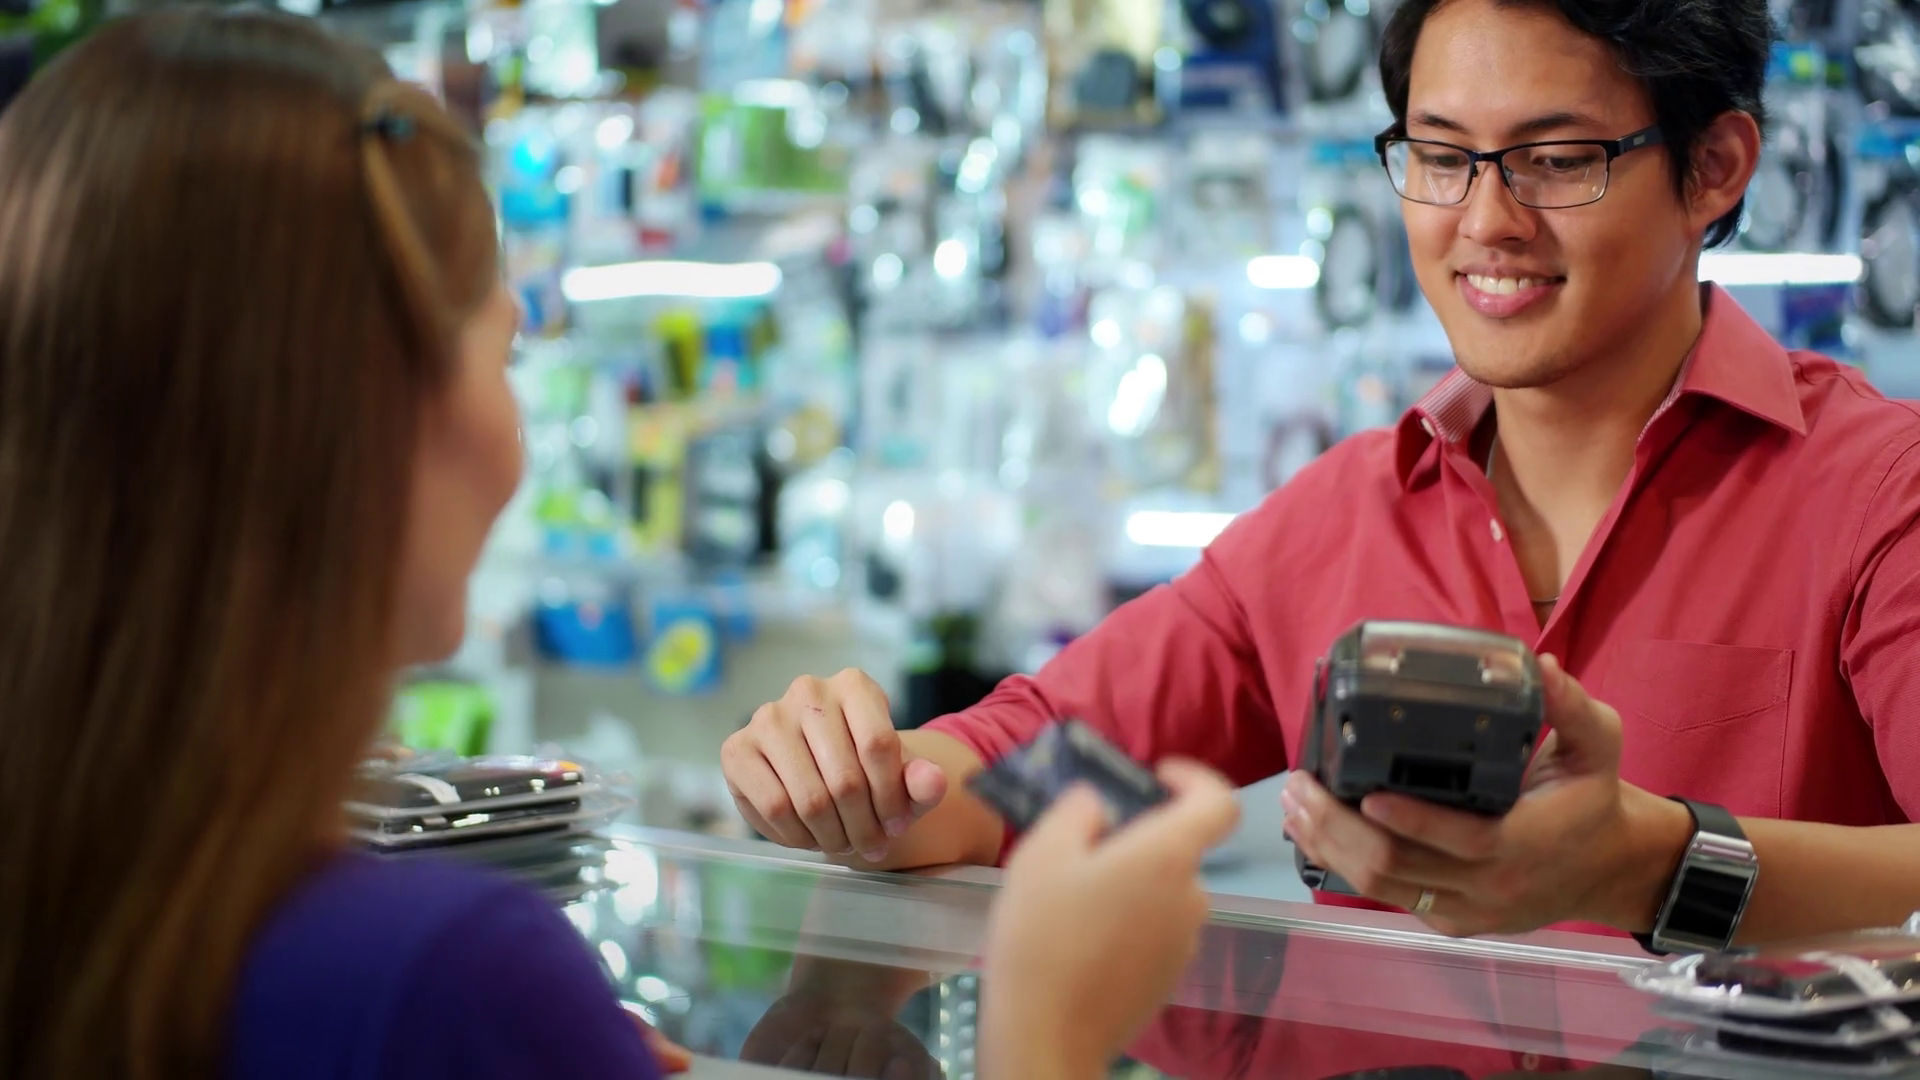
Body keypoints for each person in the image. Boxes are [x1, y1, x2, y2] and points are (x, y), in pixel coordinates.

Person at [0, 9, 1242, 1080]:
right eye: (504, 355)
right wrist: (1049, 1025)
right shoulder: (436, 968)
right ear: (372, 425)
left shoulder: (100, 878)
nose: (519, 435)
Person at [723, 0, 1920, 949]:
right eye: (1441, 157)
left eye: (1556, 159)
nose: (1484, 221)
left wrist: (1655, 863)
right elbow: (1049, 778)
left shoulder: (1874, 493)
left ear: (1716, 168)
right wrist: (861, 781)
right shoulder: (1338, 519)